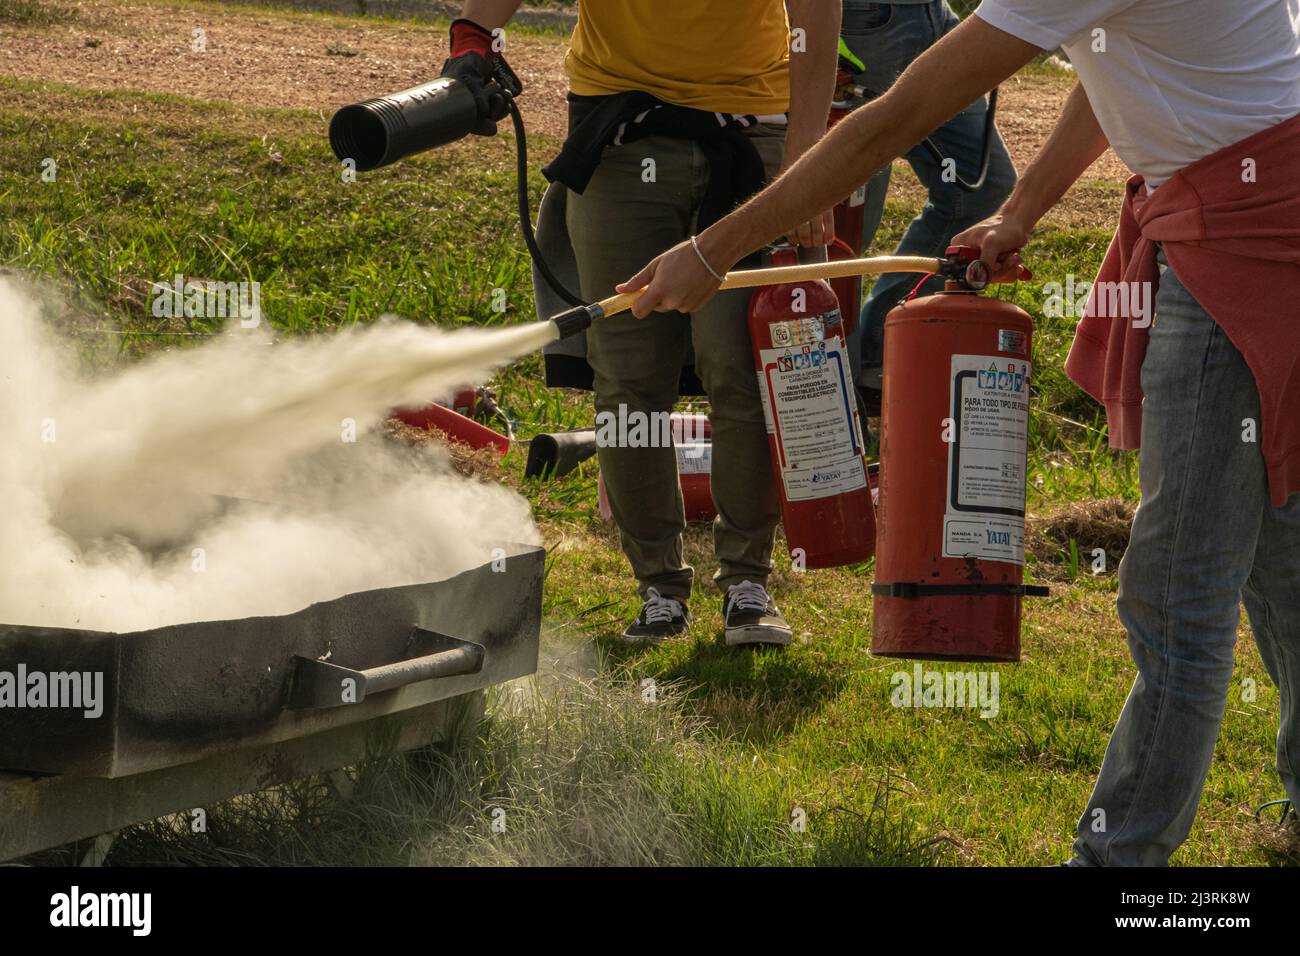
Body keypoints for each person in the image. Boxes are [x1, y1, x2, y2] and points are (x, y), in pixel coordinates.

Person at [620, 1, 1300, 865]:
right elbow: (1114, 69)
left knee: (1178, 588)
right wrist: (1019, 211)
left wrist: (715, 251)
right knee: (1281, 549)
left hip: (1247, 250)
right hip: (1263, 213)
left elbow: (901, 115)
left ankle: (1119, 865)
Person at [445, 1, 841, 645]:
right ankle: (659, 588)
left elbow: (819, 16)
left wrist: (805, 164)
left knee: (746, 371)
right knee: (629, 380)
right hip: (619, 142)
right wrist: (473, 36)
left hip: (754, 140)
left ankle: (748, 582)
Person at [838, 1, 1016, 411]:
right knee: (844, 229)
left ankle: (872, 362)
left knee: (982, 189)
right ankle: (832, 419)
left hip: (931, 15)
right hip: (861, 23)